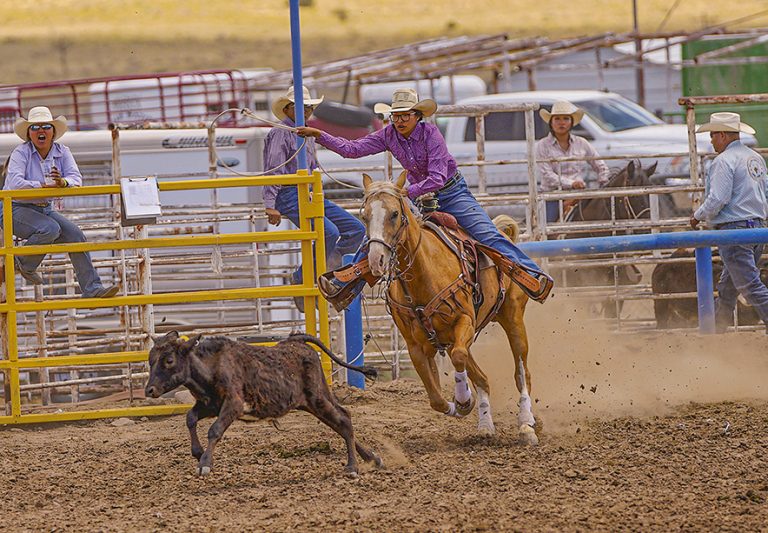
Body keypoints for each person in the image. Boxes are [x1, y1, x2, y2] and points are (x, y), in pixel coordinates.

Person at [296, 88, 553, 309]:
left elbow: (439, 177)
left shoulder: (431, 135)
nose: (399, 120)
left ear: (417, 116)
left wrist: (409, 192)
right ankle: (348, 280)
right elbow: (353, 150)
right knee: (381, 231)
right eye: (396, 116)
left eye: (405, 115)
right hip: (419, 197)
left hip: (451, 194)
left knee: (486, 232)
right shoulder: (389, 135)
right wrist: (321, 136)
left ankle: (533, 275)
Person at [262, 86, 365, 313]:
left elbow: (311, 167)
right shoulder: (281, 133)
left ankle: (327, 266)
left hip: (308, 191)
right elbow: (274, 169)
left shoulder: (305, 133)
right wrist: (270, 204)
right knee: (329, 232)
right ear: (288, 109)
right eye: (301, 107)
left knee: (357, 229)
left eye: (308, 107)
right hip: (289, 194)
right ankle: (303, 277)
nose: (306, 111)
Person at [3, 106, 119, 298]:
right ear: (29, 133)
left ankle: (91, 288)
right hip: (13, 207)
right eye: (35, 127)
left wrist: (62, 182)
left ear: (53, 131)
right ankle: (23, 263)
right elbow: (15, 184)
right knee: (49, 229)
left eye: (46, 126)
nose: (41, 131)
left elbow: (76, 178)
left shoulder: (62, 151)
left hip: (42, 208)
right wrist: (45, 185)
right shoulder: (20, 152)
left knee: (76, 236)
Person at [689, 112, 768, 333]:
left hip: (734, 231)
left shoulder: (723, 161)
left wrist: (697, 215)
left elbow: (719, 198)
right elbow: (766, 191)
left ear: (722, 135)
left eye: (713, 135)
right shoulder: (755, 158)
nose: (712, 140)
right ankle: (715, 334)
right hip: (757, 230)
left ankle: (714, 335)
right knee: (729, 287)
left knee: (750, 286)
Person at [535, 100, 610, 222]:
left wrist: (603, 183)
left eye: (565, 119)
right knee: (546, 226)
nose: (561, 122)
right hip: (552, 196)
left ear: (571, 122)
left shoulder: (582, 143)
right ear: (551, 122)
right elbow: (547, 175)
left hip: (578, 194)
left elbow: (601, 165)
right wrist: (572, 183)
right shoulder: (543, 145)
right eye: (557, 119)